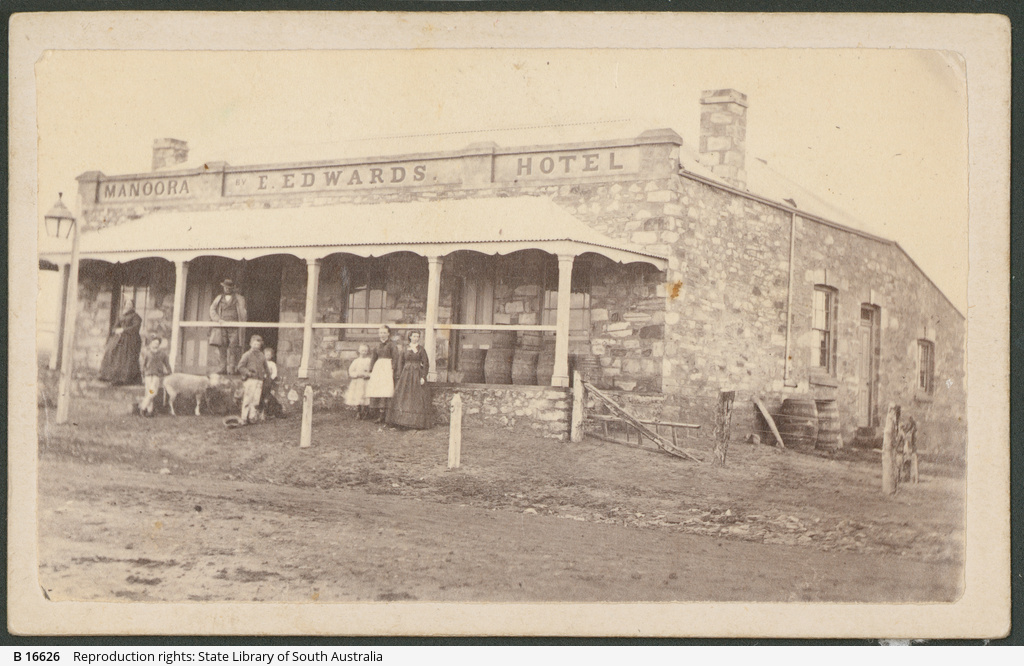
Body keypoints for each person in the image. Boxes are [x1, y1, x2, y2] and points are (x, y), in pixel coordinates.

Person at [387, 330, 433, 429]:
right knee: (403, 396)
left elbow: (426, 364)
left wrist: (423, 377)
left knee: (417, 397)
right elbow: (400, 362)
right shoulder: (405, 349)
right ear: (410, 337)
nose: (416, 338)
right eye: (414, 336)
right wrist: (399, 375)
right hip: (406, 375)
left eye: (417, 336)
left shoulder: (421, 349)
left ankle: (416, 422)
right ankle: (401, 421)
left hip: (417, 374)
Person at [99, 298, 143, 385]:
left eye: (130, 304)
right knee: (110, 351)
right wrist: (116, 330)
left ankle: (124, 379)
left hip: (131, 339)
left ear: (133, 306)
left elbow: (135, 327)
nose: (128, 306)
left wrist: (123, 330)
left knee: (125, 357)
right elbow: (115, 327)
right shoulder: (121, 316)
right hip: (119, 338)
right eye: (127, 304)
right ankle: (109, 376)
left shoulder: (136, 316)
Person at [208, 278, 247, 374]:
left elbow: (243, 311)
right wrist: (218, 319)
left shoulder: (239, 298)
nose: (227, 289)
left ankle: (232, 368)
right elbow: (212, 309)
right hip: (222, 326)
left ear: (233, 288)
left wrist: (241, 322)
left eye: (229, 288)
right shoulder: (219, 298)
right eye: (226, 287)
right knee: (222, 347)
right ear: (223, 288)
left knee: (233, 347)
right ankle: (222, 368)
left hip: (234, 327)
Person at [365, 324, 400, 423]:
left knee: (386, 390)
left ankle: (385, 415)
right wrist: (371, 369)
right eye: (380, 333)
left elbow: (396, 358)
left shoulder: (392, 345)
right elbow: (373, 358)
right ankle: (377, 413)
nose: (382, 335)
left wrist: (393, 369)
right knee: (378, 389)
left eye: (384, 333)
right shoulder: (377, 346)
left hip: (387, 368)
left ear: (388, 334)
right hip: (378, 368)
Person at [236, 334, 269, 425]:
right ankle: (244, 418)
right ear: (251, 344)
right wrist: (248, 373)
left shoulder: (262, 355)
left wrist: (267, 376)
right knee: (247, 399)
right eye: (254, 344)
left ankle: (252, 417)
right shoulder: (247, 355)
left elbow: (266, 367)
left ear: (260, 345)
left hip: (259, 380)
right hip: (250, 380)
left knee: (256, 400)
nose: (256, 346)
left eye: (258, 344)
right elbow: (240, 366)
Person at [138, 336, 171, 417]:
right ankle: (149, 411)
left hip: (157, 375)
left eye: (157, 343)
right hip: (148, 375)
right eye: (154, 342)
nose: (156, 344)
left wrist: (169, 372)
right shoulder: (147, 352)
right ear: (151, 343)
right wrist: (142, 375)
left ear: (159, 344)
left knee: (152, 392)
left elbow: (167, 364)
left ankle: (142, 407)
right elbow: (143, 365)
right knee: (148, 392)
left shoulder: (162, 353)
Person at [345, 344, 373, 419]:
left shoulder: (369, 361)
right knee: (358, 395)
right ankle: (358, 412)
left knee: (366, 395)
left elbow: (372, 371)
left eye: (365, 351)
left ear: (368, 352)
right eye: (362, 351)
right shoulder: (356, 361)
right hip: (358, 382)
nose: (364, 352)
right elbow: (351, 371)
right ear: (359, 351)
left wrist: (368, 375)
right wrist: (357, 375)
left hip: (366, 381)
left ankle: (366, 411)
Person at [259, 347, 284, 419]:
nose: (267, 356)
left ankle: (268, 411)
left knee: (266, 395)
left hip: (268, 381)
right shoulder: (261, 363)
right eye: (266, 355)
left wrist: (270, 379)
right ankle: (261, 412)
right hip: (261, 380)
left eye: (269, 355)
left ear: (271, 356)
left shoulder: (272, 364)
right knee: (260, 395)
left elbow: (274, 373)